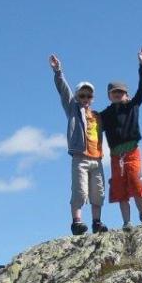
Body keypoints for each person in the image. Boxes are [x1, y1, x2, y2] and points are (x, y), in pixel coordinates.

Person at [50, 53, 108, 234]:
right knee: (80, 192)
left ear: (93, 98)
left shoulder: (98, 116)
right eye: (82, 95)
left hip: (97, 159)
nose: (85, 99)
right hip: (80, 157)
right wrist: (58, 71)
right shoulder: (73, 109)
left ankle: (97, 222)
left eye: (88, 96)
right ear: (77, 97)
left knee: (98, 193)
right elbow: (63, 90)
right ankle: (77, 222)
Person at [100, 46, 142, 229]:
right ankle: (126, 222)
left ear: (126, 94)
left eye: (121, 92)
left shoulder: (133, 105)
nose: (118, 95)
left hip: (132, 151)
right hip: (116, 155)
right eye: (114, 93)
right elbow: (92, 124)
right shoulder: (105, 115)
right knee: (119, 187)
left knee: (136, 181)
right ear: (109, 96)